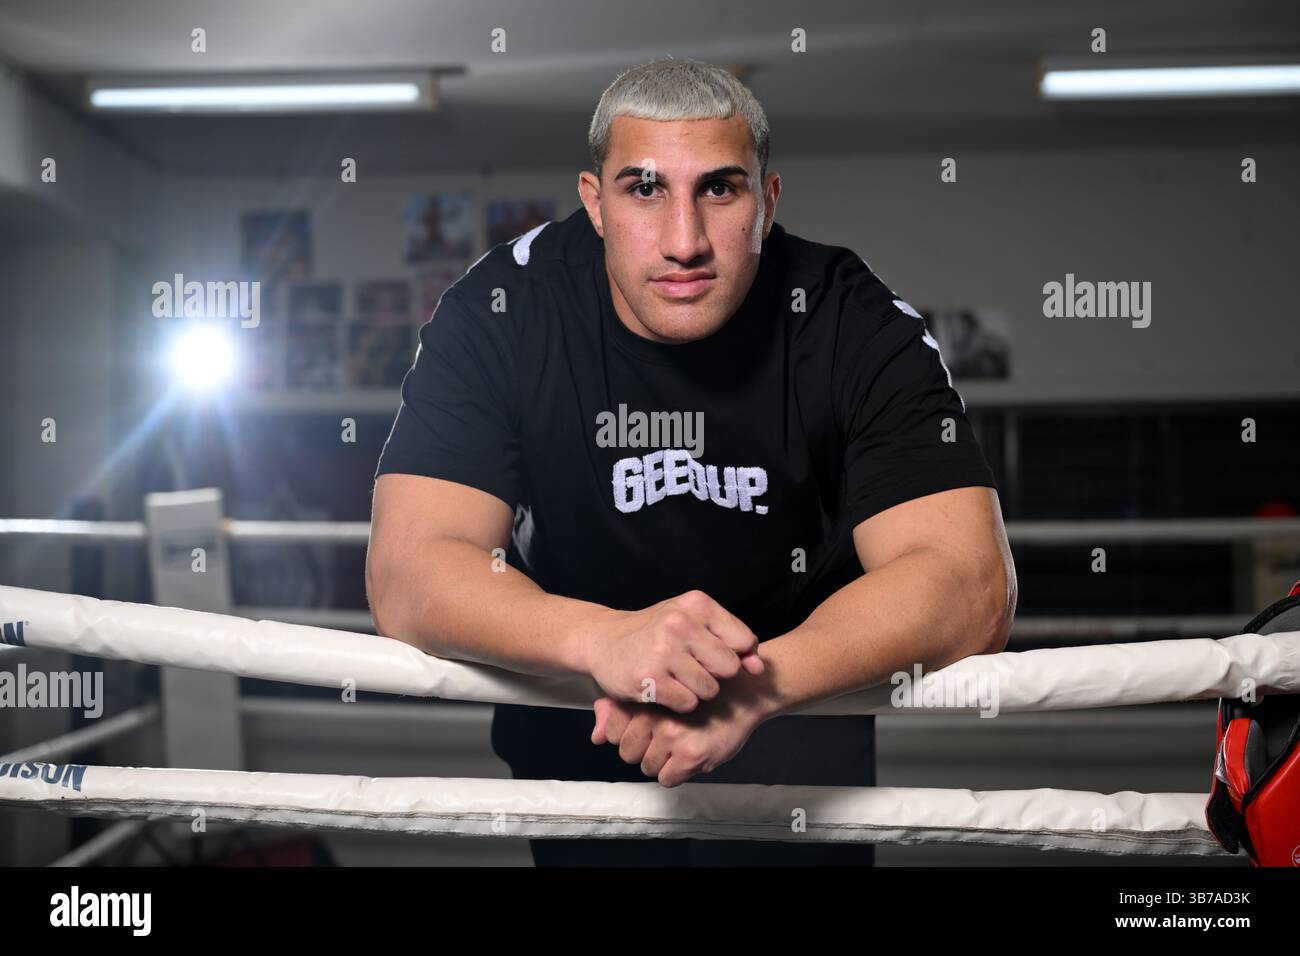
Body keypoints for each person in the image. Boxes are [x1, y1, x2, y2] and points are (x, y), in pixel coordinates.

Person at [367, 57, 1017, 866]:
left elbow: (970, 581)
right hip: (583, 744)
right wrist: (602, 639)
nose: (685, 242)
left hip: (797, 741)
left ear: (766, 202)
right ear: (594, 202)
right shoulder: (504, 309)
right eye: (644, 189)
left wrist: (756, 685)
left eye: (720, 188)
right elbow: (409, 569)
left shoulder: (851, 317)